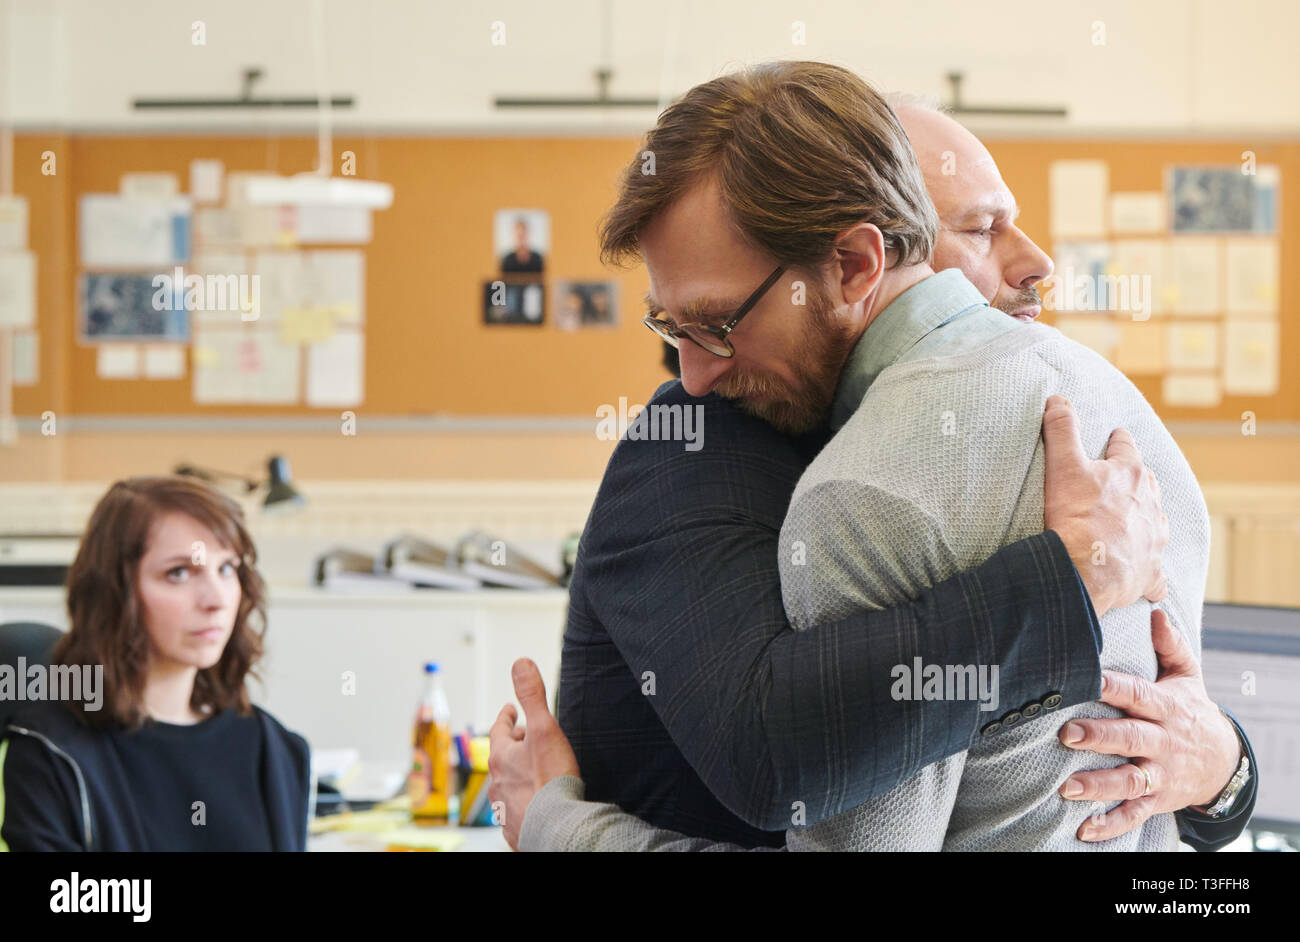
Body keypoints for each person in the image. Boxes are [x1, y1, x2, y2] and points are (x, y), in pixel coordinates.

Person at [489, 62, 1254, 851]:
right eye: (981, 229)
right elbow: (775, 747)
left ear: (861, 263)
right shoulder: (703, 447)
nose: (1034, 263)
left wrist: (1224, 767)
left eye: (716, 323)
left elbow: (1156, 736)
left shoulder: (893, 479)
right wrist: (1069, 586)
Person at [0, 476, 310, 851]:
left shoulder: (275, 748)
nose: (216, 599)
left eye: (227, 568)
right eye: (179, 572)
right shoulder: (50, 754)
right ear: (116, 592)